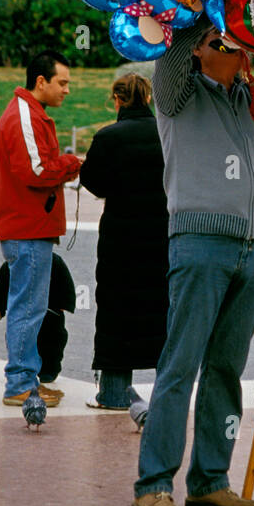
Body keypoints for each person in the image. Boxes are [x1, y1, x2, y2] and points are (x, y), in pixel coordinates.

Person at [132, 21, 254, 506]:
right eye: (224, 45)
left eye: (240, 47)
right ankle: (152, 486)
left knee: (226, 371)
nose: (236, 53)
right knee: (181, 366)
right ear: (198, 52)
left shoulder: (253, 102)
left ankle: (211, 482)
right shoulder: (177, 96)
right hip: (200, 242)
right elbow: (169, 57)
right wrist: (206, 12)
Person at [0, 51, 83, 406]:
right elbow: (37, 171)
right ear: (40, 82)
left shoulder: (29, 113)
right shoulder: (24, 115)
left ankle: (27, 378)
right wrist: (73, 163)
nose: (67, 90)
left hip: (30, 226)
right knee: (27, 307)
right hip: (26, 228)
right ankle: (18, 385)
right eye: (62, 83)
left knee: (29, 306)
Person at [79, 72, 169, 412]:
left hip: (121, 239)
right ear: (147, 98)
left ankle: (114, 394)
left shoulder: (108, 137)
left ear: (116, 100)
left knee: (116, 312)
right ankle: (166, 394)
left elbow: (94, 182)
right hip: (162, 237)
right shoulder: (166, 133)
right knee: (162, 311)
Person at [0, 252, 77, 386]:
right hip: (21, 312)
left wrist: (64, 304)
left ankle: (48, 370)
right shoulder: (13, 262)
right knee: (20, 341)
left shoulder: (54, 261)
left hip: (50, 312)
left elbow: (65, 283)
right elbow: (1, 285)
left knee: (53, 342)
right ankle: (21, 370)